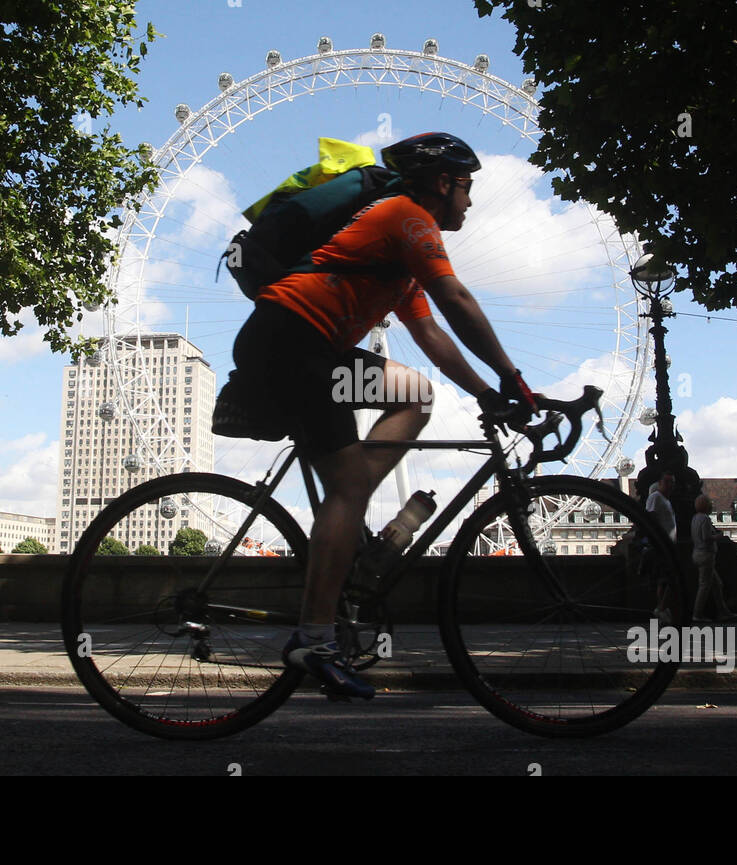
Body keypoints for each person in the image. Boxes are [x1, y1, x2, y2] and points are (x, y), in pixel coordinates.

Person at [224, 132, 536, 699]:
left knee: (414, 393)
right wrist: (512, 377)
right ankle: (314, 641)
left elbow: (429, 332)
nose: (469, 201)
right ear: (443, 182)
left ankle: (355, 528)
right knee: (347, 488)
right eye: (466, 187)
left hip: (310, 346)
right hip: (295, 341)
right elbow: (457, 302)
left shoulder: (398, 254)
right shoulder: (407, 217)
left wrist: (487, 393)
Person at [691, 494, 737, 623]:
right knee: (705, 586)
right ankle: (697, 614)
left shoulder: (695, 518)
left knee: (717, 584)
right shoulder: (705, 519)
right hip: (706, 555)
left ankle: (723, 611)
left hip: (697, 553)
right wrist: (718, 536)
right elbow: (706, 537)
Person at [644, 472, 677, 623]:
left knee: (664, 580)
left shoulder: (666, 500)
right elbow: (651, 517)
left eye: (672, 482)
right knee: (668, 579)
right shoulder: (655, 497)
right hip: (661, 544)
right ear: (660, 482)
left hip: (668, 544)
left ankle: (662, 609)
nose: (671, 485)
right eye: (668, 481)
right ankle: (661, 608)